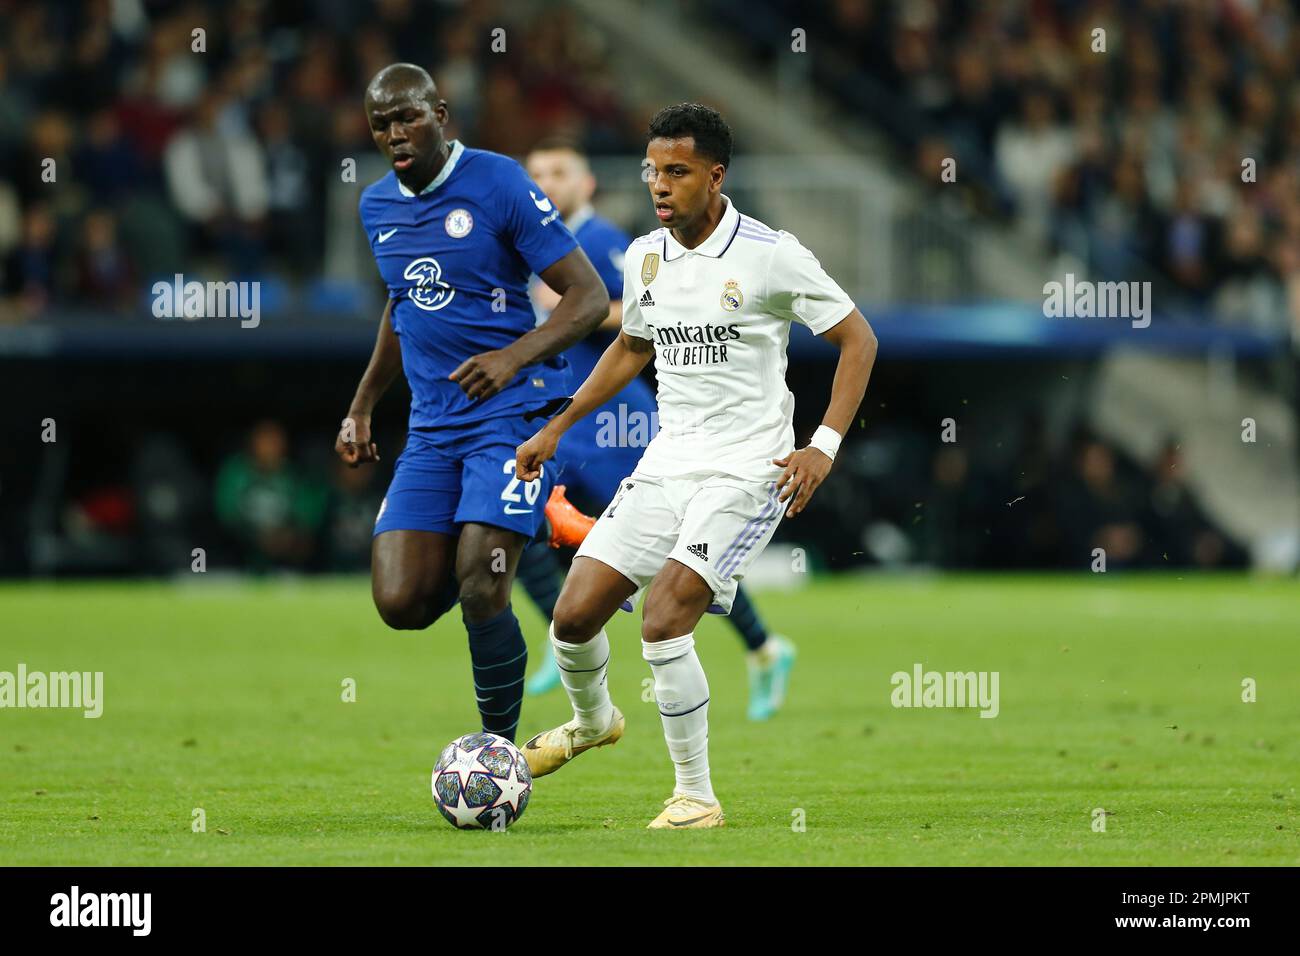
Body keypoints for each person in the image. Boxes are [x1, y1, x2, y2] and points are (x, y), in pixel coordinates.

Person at [514, 104, 878, 827]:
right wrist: (559, 425)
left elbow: (857, 339)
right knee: (573, 614)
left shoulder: (771, 254)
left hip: (750, 471)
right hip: (667, 462)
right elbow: (631, 349)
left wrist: (822, 447)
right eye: (653, 170)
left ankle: (696, 796)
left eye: (676, 172)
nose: (660, 184)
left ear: (716, 176)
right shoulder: (644, 255)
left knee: (662, 617)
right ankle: (593, 724)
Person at [334, 64, 607, 743]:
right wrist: (364, 403)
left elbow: (589, 297)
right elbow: (405, 304)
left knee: (483, 584)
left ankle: (498, 754)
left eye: (408, 118)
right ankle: (529, 519)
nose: (395, 134)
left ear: (441, 112)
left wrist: (512, 357)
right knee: (401, 602)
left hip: (510, 415)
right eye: (381, 125)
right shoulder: (375, 205)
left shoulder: (498, 181)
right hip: (432, 429)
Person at [518, 138, 797, 720]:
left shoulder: (600, 242)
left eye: (560, 171)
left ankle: (763, 647)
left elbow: (631, 314)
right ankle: (565, 628)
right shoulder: (540, 247)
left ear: (587, 183)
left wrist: (577, 307)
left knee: (683, 554)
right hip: (572, 417)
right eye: (537, 172)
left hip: (623, 420)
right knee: (518, 518)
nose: (547, 182)